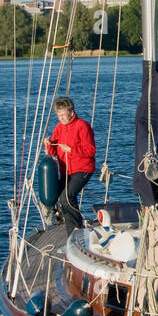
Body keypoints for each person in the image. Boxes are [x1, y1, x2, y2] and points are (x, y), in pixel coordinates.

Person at [44, 96, 97, 230]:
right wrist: (49, 144)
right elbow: (54, 152)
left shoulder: (82, 126)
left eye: (63, 114)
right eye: (58, 115)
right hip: (66, 170)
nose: (60, 117)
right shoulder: (59, 128)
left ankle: (77, 228)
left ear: (71, 113)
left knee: (67, 198)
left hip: (82, 169)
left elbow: (90, 150)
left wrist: (71, 150)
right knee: (62, 200)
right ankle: (70, 233)